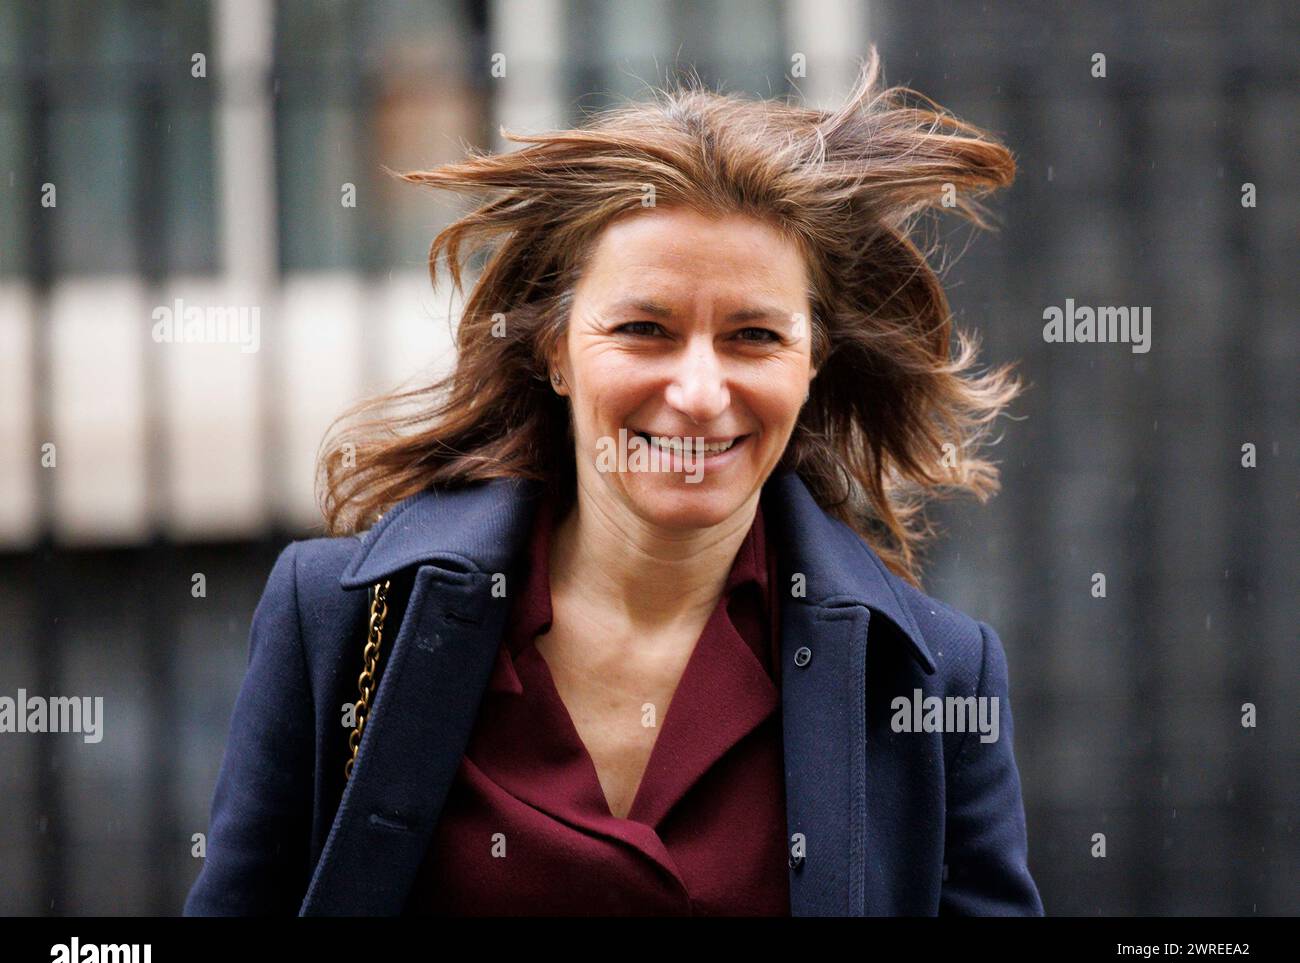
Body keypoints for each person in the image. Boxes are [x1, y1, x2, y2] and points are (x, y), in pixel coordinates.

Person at [184, 48, 1043, 916]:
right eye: (644, 328)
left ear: (814, 360)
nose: (701, 394)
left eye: (754, 336)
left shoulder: (935, 678)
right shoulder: (342, 618)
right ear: (556, 349)